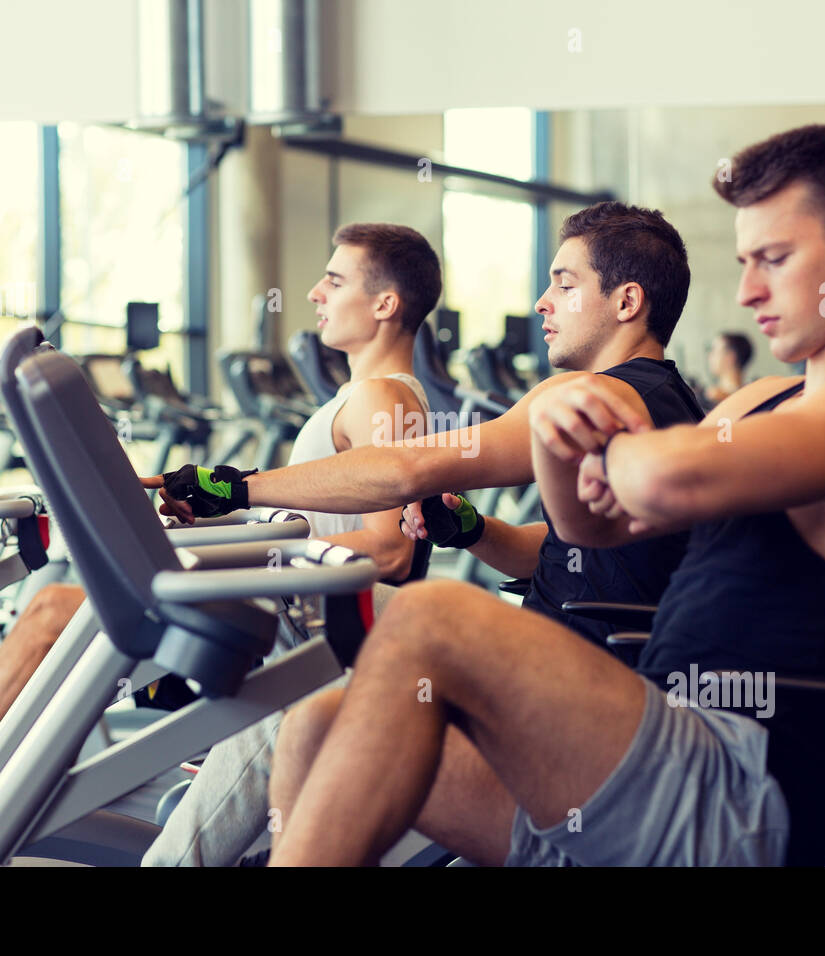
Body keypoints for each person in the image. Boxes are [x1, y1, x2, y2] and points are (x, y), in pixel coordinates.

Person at [263, 123, 825, 868]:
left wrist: (595, 437)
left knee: (435, 615)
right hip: (652, 744)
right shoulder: (759, 399)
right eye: (744, 262)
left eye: (775, 259)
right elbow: (591, 528)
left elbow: (662, 477)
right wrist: (561, 446)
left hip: (741, 791)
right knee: (318, 726)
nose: (749, 290)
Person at [0, 222, 440, 865]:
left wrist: (249, 546)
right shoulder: (360, 397)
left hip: (307, 630)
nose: (313, 293)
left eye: (334, 279)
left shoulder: (385, 398)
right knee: (64, 616)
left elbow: (389, 552)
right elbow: (312, 518)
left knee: (58, 616)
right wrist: (215, 521)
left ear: (385, 304)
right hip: (284, 605)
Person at [145, 200, 704, 865]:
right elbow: (566, 553)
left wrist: (238, 488)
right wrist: (470, 527)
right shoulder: (651, 396)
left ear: (627, 300)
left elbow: (405, 467)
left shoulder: (599, 396)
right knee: (308, 701)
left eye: (564, 282)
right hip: (566, 670)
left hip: (576, 696)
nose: (540, 302)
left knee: (298, 692)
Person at [703, 330, 754, 408]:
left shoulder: (713, 398)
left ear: (730, 356)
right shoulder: (753, 395)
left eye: (714, 350)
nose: (709, 356)